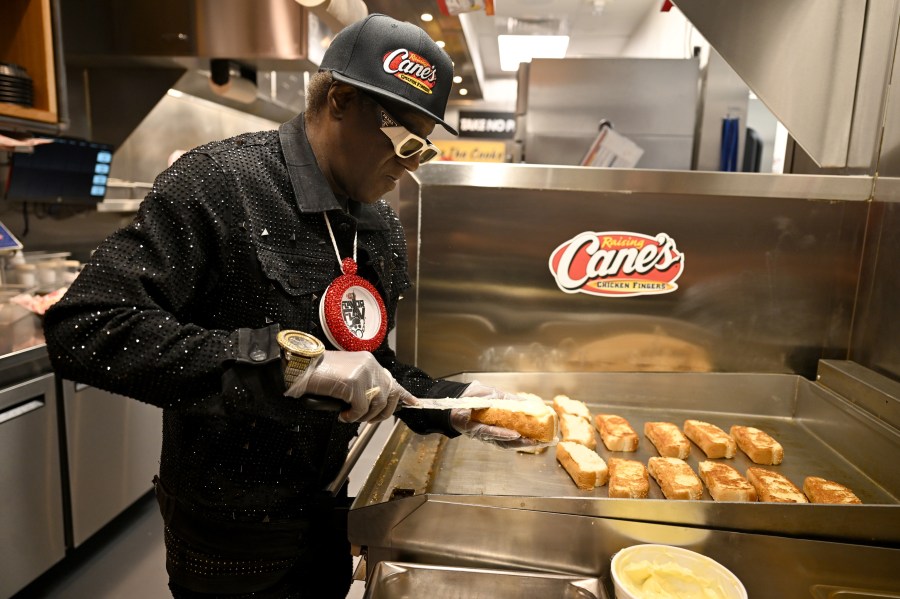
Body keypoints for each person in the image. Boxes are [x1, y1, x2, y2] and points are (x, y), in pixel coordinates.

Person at [43, 13, 536, 599]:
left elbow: (365, 364)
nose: (409, 168)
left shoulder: (376, 224)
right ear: (340, 101)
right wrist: (289, 367)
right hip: (229, 535)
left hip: (327, 512)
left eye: (422, 150)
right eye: (404, 143)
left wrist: (448, 401)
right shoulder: (220, 182)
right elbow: (85, 326)